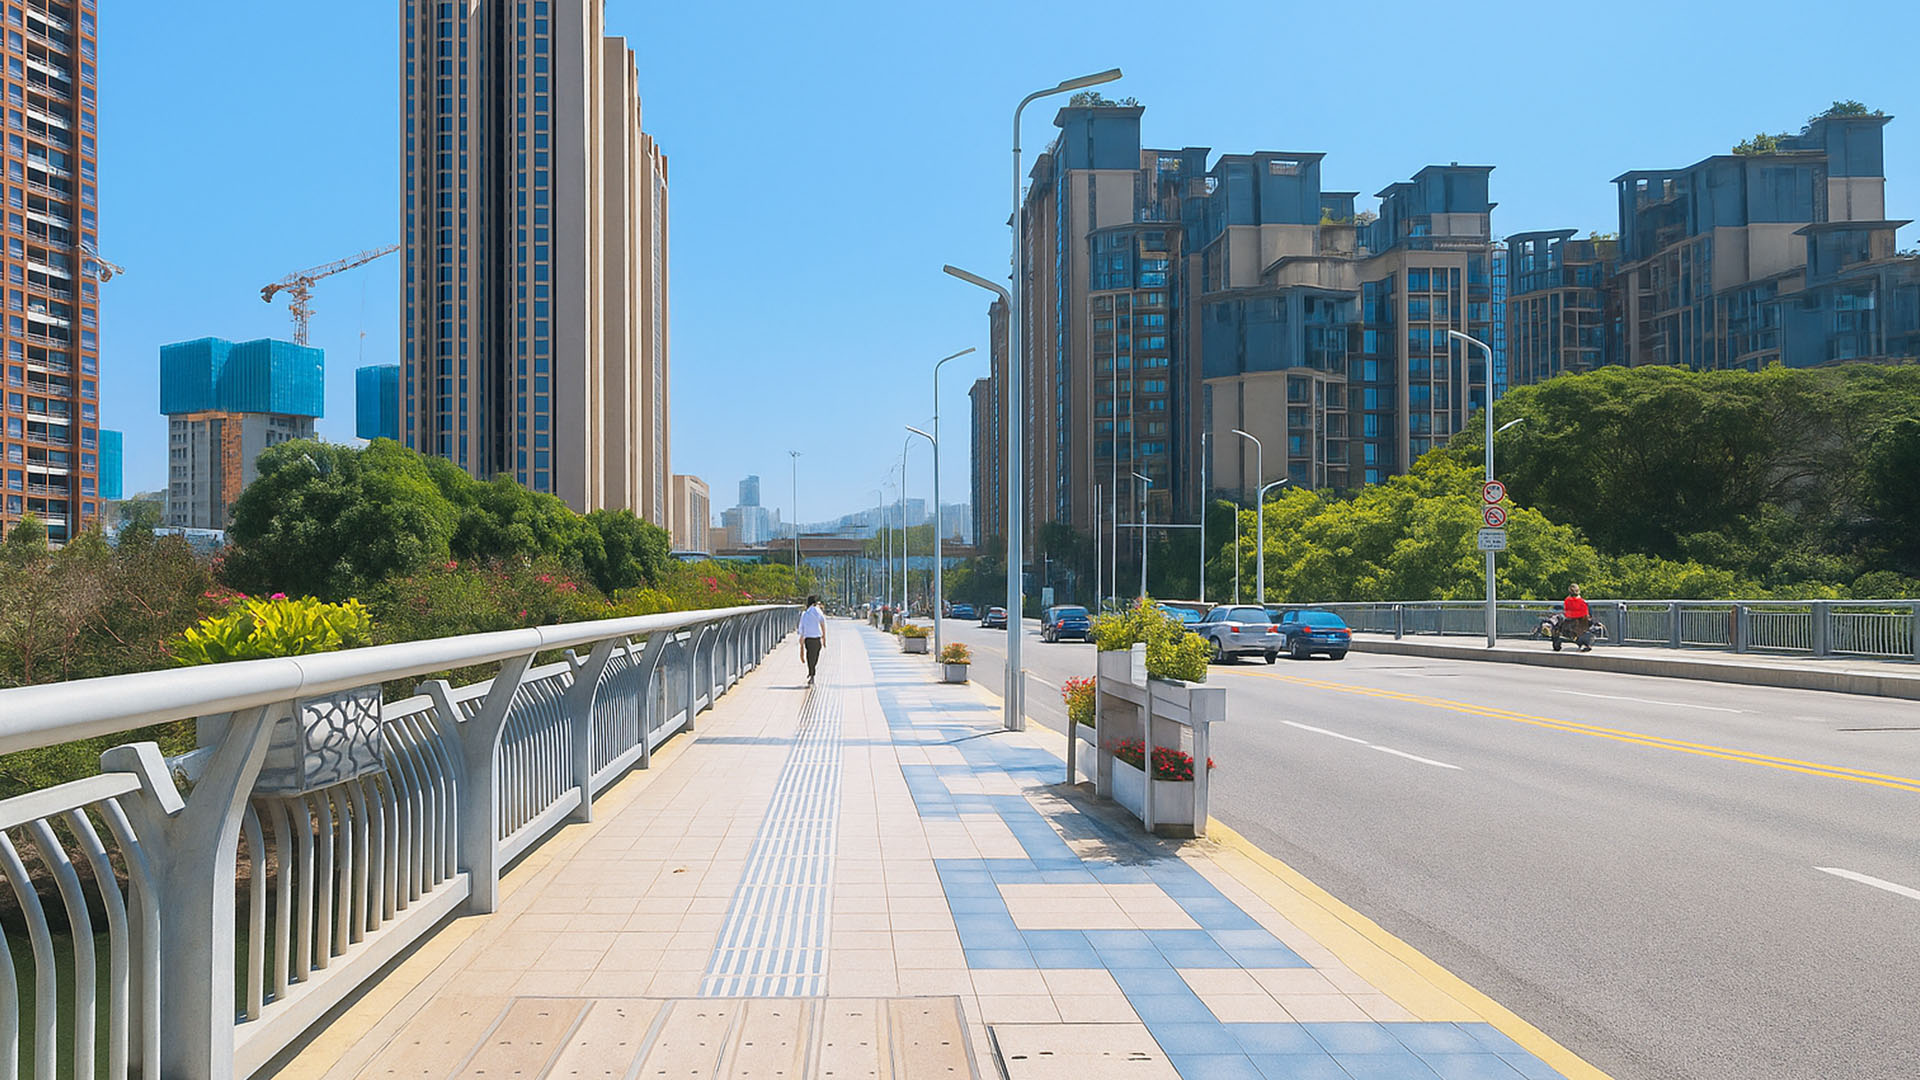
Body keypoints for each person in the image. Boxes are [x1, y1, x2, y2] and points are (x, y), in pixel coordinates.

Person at [798, 595, 827, 684]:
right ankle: (812, 672)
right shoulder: (818, 611)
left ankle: (811, 672)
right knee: (815, 656)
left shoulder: (805, 613)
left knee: (809, 656)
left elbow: (801, 626)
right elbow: (822, 623)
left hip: (808, 638)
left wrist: (801, 637)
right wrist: (824, 637)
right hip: (817, 638)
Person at [1561, 585, 1593, 652]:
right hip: (1582, 621)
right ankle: (1585, 643)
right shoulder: (1582, 602)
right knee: (1586, 629)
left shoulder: (1567, 601)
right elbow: (1587, 614)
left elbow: (1566, 611)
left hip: (1570, 620)